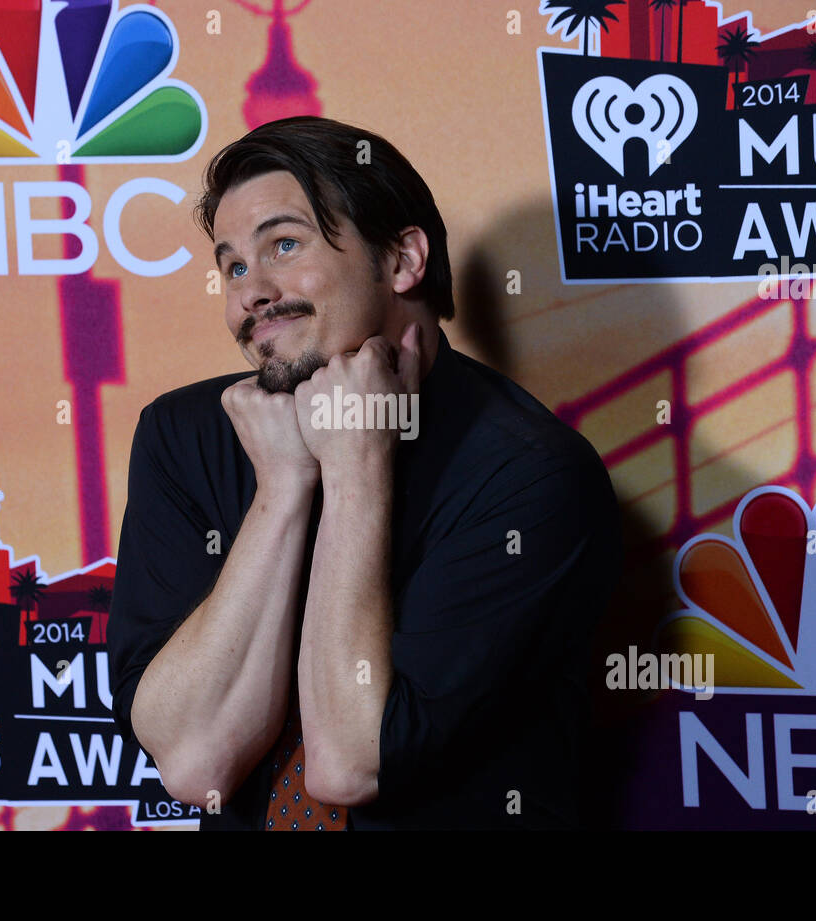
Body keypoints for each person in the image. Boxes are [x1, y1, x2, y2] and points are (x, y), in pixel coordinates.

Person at [107, 116, 620, 830]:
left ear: (404, 259)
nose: (250, 294)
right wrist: (283, 491)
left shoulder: (530, 474)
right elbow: (194, 761)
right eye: (232, 266)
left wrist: (353, 470)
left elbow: (351, 760)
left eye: (283, 245)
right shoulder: (186, 435)